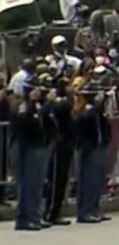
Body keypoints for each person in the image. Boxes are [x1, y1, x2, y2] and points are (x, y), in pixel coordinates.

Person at [11, 77, 51, 231]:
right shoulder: (23, 105)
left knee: (36, 185)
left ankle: (34, 216)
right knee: (28, 185)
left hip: (37, 146)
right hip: (27, 147)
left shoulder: (36, 106)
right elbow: (24, 121)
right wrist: (33, 106)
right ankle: (25, 218)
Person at [73, 87, 112, 224]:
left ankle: (95, 208)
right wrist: (96, 106)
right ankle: (85, 211)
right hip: (88, 149)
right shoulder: (86, 110)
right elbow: (82, 122)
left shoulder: (99, 112)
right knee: (87, 180)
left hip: (99, 146)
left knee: (97, 181)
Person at [43, 75, 74, 226]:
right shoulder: (56, 102)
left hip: (67, 143)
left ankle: (57, 211)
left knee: (62, 180)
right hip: (57, 143)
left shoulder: (65, 100)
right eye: (67, 85)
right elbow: (64, 107)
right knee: (54, 181)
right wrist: (67, 95)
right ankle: (50, 212)